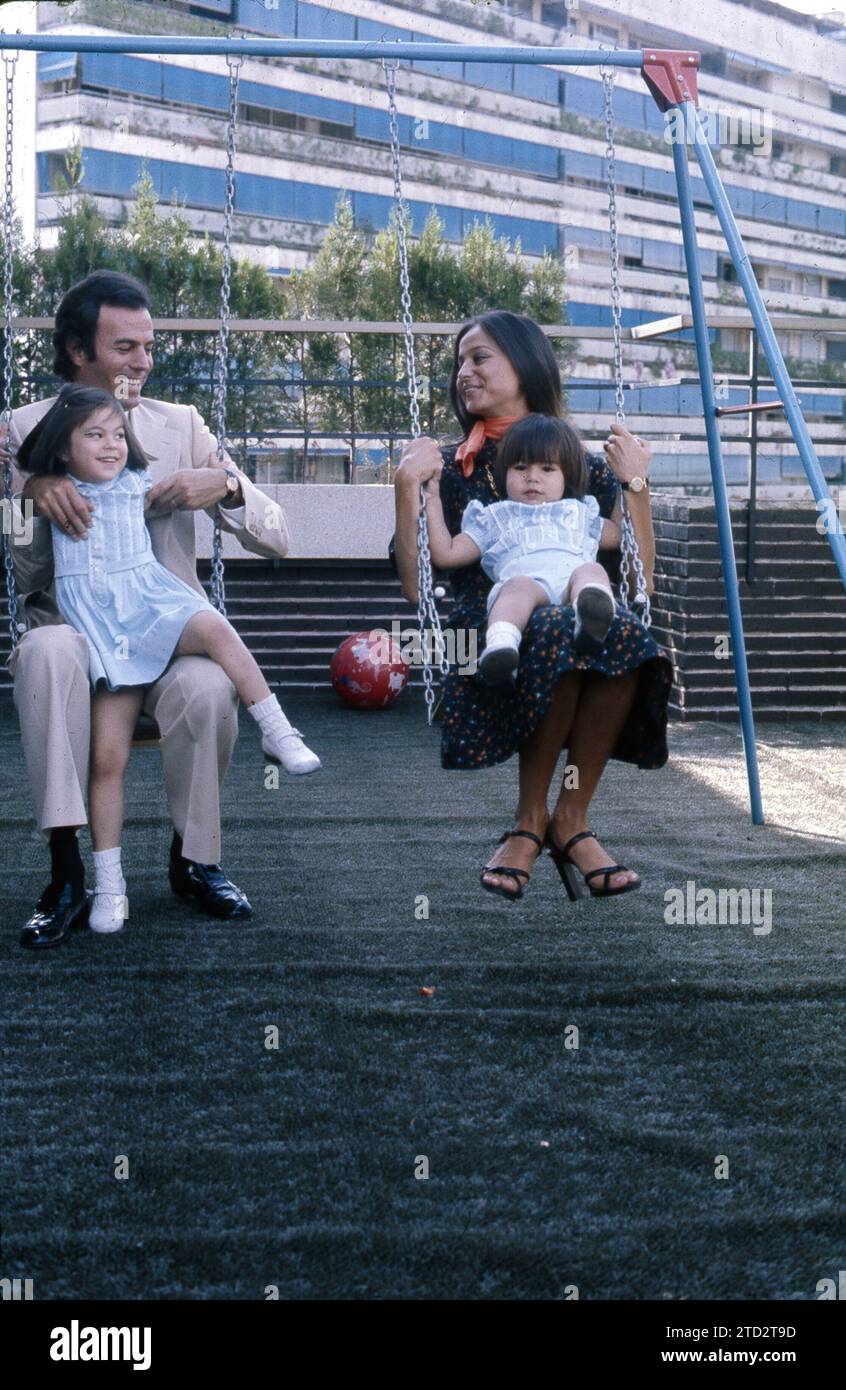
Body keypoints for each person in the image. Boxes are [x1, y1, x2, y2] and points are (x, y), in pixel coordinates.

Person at [4, 271, 294, 947]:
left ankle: (195, 861)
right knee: (44, 651)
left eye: (149, 346)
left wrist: (223, 484)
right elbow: (19, 564)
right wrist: (30, 486)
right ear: (78, 351)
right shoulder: (18, 430)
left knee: (206, 683)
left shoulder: (181, 426)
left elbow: (279, 535)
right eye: (126, 346)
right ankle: (67, 871)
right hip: (73, 632)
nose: (144, 361)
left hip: (161, 637)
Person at [393, 310, 673, 904]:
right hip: (490, 627)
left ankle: (567, 817)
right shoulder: (445, 466)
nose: (463, 373)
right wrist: (405, 489)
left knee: (618, 633)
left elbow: (640, 577)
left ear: (525, 363)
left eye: (479, 357)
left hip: (579, 606)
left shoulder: (576, 462)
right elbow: (420, 588)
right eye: (459, 363)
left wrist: (637, 486)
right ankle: (532, 819)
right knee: (555, 629)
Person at [424, 413, 621, 690]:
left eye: (547, 469)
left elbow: (617, 535)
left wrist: (629, 482)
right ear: (505, 474)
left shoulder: (577, 511)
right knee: (517, 588)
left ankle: (591, 617)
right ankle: (502, 648)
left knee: (592, 571)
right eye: (520, 467)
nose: (532, 478)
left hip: (571, 584)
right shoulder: (496, 517)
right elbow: (447, 553)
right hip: (527, 588)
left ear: (567, 476)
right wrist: (431, 497)